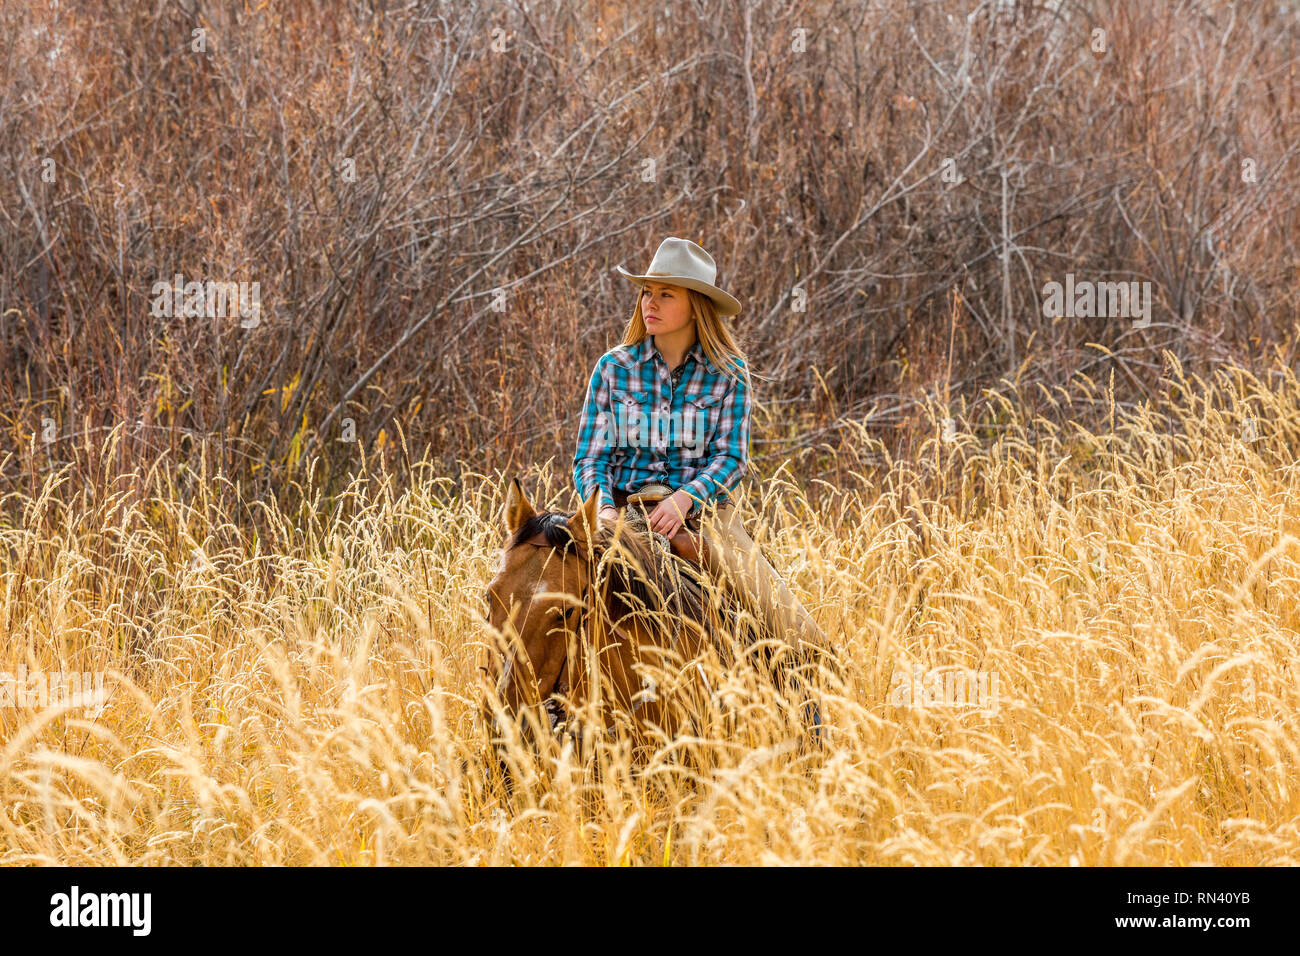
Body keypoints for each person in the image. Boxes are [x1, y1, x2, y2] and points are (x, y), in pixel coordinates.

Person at [571, 236, 832, 722]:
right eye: (648, 292)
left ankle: (803, 710)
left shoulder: (728, 374)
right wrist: (603, 508)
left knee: (772, 606)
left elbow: (731, 458)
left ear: (697, 306)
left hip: (702, 516)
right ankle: (528, 715)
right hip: (621, 511)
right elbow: (591, 457)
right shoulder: (613, 368)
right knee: (544, 584)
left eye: (666, 294)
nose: (651, 303)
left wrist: (685, 501)